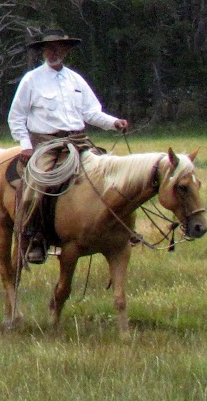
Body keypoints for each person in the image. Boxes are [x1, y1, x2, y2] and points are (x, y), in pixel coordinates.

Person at [7, 28, 129, 264]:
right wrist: (25, 145)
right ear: (43, 51)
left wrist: (114, 122)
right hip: (47, 144)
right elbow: (16, 116)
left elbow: (91, 112)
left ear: (65, 50)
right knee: (37, 185)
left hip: (78, 141)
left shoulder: (76, 80)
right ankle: (34, 236)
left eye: (58, 48)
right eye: (49, 48)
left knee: (109, 175)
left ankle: (114, 230)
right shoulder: (31, 80)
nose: (53, 52)